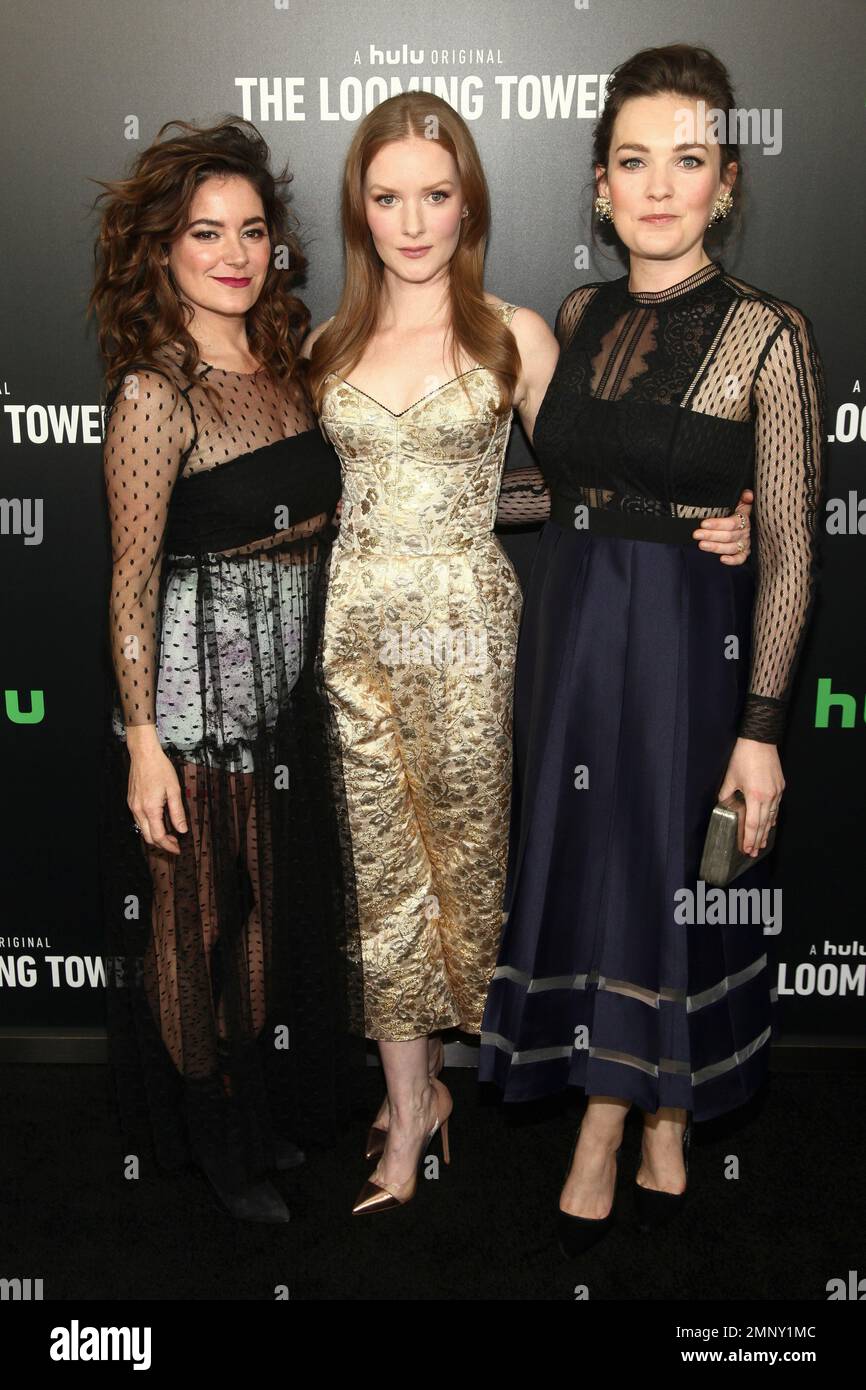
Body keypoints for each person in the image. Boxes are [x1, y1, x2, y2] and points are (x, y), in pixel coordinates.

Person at [302, 90, 754, 1216]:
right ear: (360, 210)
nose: (414, 222)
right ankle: (409, 1115)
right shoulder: (321, 345)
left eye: (436, 196)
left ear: (470, 205)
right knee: (375, 882)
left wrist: (721, 512)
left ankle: (568, 1088)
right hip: (354, 635)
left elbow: (595, 476)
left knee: (468, 873)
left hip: (472, 639)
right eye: (388, 196)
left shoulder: (516, 333)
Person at [477, 44, 826, 1255]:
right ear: (599, 186)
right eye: (634, 161)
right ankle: (665, 1105)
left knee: (661, 876)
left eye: (686, 161)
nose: (659, 186)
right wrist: (431, 493)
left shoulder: (768, 336)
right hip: (572, 639)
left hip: (688, 647)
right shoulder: (576, 316)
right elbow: (556, 493)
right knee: (596, 870)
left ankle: (604, 1126)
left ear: (723, 183)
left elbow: (785, 551)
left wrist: (764, 730)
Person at [90, 117, 365, 1224]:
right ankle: (206, 1132)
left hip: (284, 717)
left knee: (255, 930)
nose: (233, 253)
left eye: (252, 231)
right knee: (191, 930)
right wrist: (143, 740)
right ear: (162, 250)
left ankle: (246, 1108)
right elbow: (129, 582)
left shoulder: (287, 369)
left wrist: (602, 509)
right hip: (193, 721)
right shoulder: (156, 394)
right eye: (205, 233)